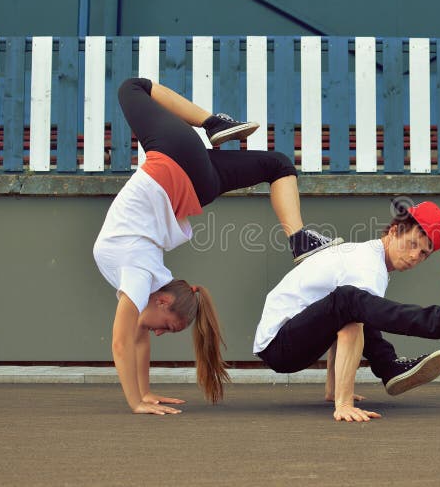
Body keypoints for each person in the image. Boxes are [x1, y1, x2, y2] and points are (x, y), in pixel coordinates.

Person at [93, 78, 341, 415]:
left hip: (181, 172)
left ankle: (215, 123)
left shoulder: (139, 277)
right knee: (278, 164)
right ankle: (297, 237)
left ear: (164, 301)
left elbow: (123, 342)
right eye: (167, 327)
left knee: (131, 87)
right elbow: (136, 338)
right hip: (187, 173)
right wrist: (144, 393)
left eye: (166, 327)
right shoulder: (146, 277)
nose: (159, 333)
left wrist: (138, 400)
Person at [253, 200, 440, 422]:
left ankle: (388, 367)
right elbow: (351, 325)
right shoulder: (368, 264)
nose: (414, 256)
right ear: (394, 231)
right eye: (412, 244)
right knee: (354, 305)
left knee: (355, 307)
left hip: (289, 341)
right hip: (279, 344)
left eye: (423, 253)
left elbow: (337, 323)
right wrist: (343, 403)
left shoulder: (367, 257)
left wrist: (333, 389)